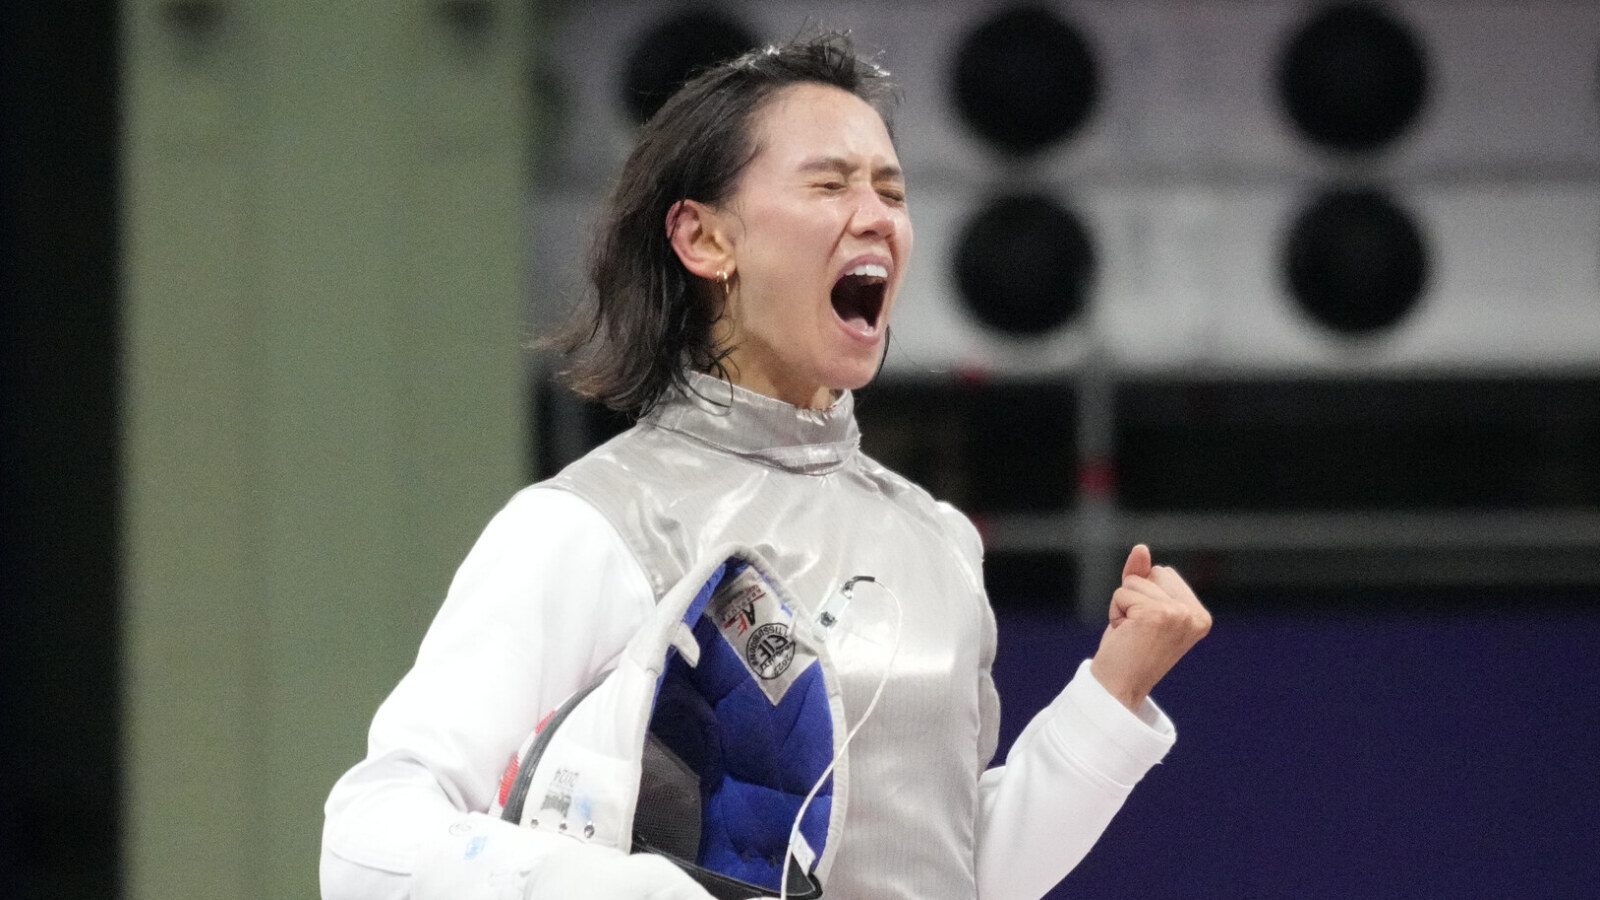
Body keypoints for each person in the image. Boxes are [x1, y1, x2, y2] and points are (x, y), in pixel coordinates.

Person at [320, 33, 1211, 900]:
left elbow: (955, 869)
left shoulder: (937, 541)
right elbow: (370, 839)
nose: (877, 216)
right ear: (705, 239)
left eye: (891, 190)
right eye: (830, 183)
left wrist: (1111, 694)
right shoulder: (596, 524)